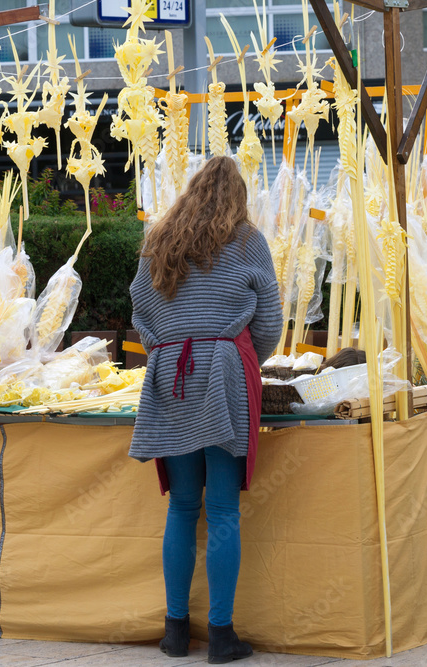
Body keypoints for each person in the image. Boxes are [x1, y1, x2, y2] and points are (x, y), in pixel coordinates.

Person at [129, 156, 283, 664]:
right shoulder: (246, 240)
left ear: (191, 192)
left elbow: (140, 310)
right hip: (223, 370)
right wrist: (245, 363)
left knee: (181, 506)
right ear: (237, 199)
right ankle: (220, 636)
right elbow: (271, 320)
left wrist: (165, 346)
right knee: (221, 511)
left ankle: (175, 632)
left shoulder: (158, 239)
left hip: (169, 372)